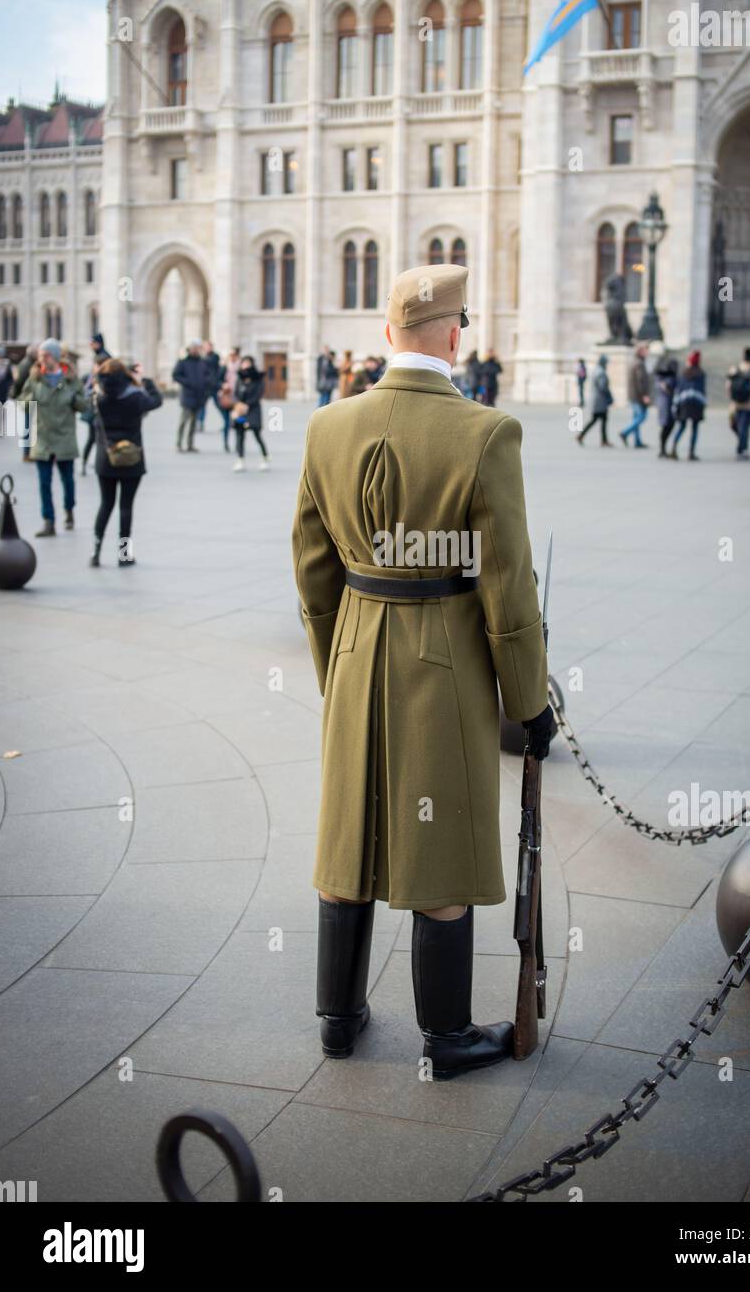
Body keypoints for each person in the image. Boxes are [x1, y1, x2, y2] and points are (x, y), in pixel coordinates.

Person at [292, 262, 552, 1080]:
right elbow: (507, 582)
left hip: (358, 641)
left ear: (385, 335)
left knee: (348, 835)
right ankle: (443, 1037)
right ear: (454, 332)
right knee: (437, 839)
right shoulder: (485, 432)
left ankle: (337, 1020)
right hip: (441, 656)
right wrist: (528, 701)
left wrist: (336, 662)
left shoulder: (327, 425)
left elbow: (309, 565)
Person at [90, 358, 162, 567]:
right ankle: (124, 555)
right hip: (132, 456)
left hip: (106, 457)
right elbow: (156, 401)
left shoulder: (98, 396)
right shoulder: (136, 396)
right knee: (126, 507)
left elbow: (92, 421)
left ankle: (96, 552)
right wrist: (146, 380)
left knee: (105, 504)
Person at [17, 338, 86, 536]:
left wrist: (74, 398)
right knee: (44, 483)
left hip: (65, 438)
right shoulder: (35, 378)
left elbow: (84, 406)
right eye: (40, 355)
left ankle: (69, 510)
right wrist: (30, 401)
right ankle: (48, 521)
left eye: (45, 355)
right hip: (43, 438)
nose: (41, 359)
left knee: (68, 480)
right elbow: (22, 401)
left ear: (54, 357)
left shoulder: (71, 379)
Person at [232, 355, 269, 471]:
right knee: (240, 434)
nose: (245, 365)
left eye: (248, 363)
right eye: (243, 363)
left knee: (257, 434)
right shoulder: (240, 378)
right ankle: (240, 459)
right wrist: (239, 404)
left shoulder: (258, 378)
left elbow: (258, 393)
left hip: (253, 410)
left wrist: (248, 405)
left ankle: (264, 457)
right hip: (241, 411)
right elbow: (236, 393)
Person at [173, 340, 211, 453]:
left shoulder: (202, 362)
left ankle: (190, 444)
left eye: (198, 348)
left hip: (199, 396)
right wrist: (187, 382)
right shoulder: (183, 362)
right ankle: (179, 444)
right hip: (188, 395)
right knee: (184, 421)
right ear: (190, 349)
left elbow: (208, 375)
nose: (196, 350)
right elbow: (176, 375)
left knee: (194, 422)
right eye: (194, 348)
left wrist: (206, 382)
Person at [669, 350, 707, 460]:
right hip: (696, 402)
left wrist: (676, 403)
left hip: (684, 402)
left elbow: (679, 389)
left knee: (682, 426)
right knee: (695, 428)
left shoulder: (684, 373)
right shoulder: (701, 373)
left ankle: (673, 449)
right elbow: (702, 390)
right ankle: (691, 452)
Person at [726, 346, 750, 459]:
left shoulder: (735, 369)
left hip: (736, 404)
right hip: (749, 404)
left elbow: (728, 385)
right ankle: (742, 448)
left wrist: (731, 397)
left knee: (737, 426)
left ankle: (741, 446)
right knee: (743, 427)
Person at [576, 354, 613, 447]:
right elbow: (603, 387)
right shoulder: (601, 372)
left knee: (598, 420)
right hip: (600, 401)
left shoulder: (596, 370)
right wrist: (609, 397)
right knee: (598, 420)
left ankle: (583, 436)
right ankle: (601, 440)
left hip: (597, 400)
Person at [619, 345, 651, 448]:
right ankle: (625, 432)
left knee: (636, 417)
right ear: (641, 351)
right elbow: (640, 381)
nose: (648, 352)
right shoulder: (639, 364)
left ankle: (637, 441)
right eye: (646, 350)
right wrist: (644, 395)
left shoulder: (634, 362)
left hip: (633, 396)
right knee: (641, 417)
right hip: (638, 396)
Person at [216, 348, 240, 452]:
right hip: (225, 398)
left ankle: (238, 444)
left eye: (234, 354)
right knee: (226, 422)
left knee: (238, 423)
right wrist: (222, 385)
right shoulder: (224, 368)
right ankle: (225, 443)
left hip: (237, 398)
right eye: (231, 355)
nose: (232, 357)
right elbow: (216, 381)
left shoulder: (241, 368)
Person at [654, 357, 678, 457]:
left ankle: (662, 449)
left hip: (663, 404)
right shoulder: (670, 378)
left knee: (666, 426)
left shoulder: (661, 378)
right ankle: (662, 449)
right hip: (667, 405)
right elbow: (668, 388)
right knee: (667, 426)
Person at [196, 340, 221, 433]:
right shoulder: (203, 357)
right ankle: (200, 423)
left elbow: (210, 362)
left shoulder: (215, 356)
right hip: (205, 386)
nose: (207, 348)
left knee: (219, 405)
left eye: (208, 346)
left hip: (214, 386)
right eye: (205, 347)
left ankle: (228, 421)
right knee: (202, 406)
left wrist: (200, 357)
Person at [0, 345, 13, 412]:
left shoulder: (6, 366)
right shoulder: (7, 365)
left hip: (0, 397)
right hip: (2, 397)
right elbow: (10, 381)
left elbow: (9, 380)